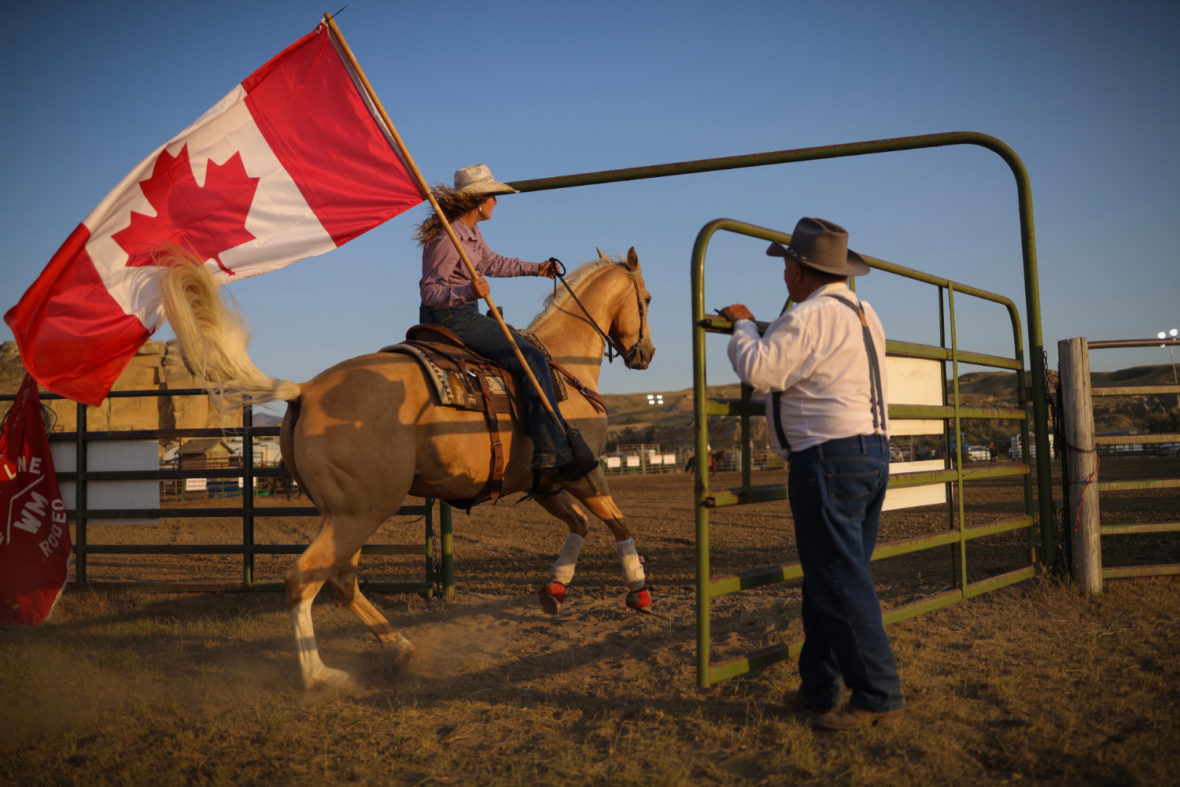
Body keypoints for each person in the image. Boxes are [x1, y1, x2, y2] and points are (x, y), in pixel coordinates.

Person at [719, 217, 904, 732]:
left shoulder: (810, 316)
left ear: (800, 270)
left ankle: (877, 696)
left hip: (828, 459)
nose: (784, 274)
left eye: (786, 265)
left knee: (839, 580)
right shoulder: (864, 312)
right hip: (869, 452)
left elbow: (760, 370)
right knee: (833, 577)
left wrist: (742, 325)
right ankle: (819, 686)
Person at [415, 164, 596, 481]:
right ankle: (550, 447)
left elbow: (491, 262)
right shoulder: (447, 237)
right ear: (479, 199)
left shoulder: (470, 234)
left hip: (463, 310)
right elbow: (430, 292)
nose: (497, 202)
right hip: (451, 316)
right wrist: (467, 290)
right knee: (531, 357)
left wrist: (536, 268)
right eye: (494, 197)